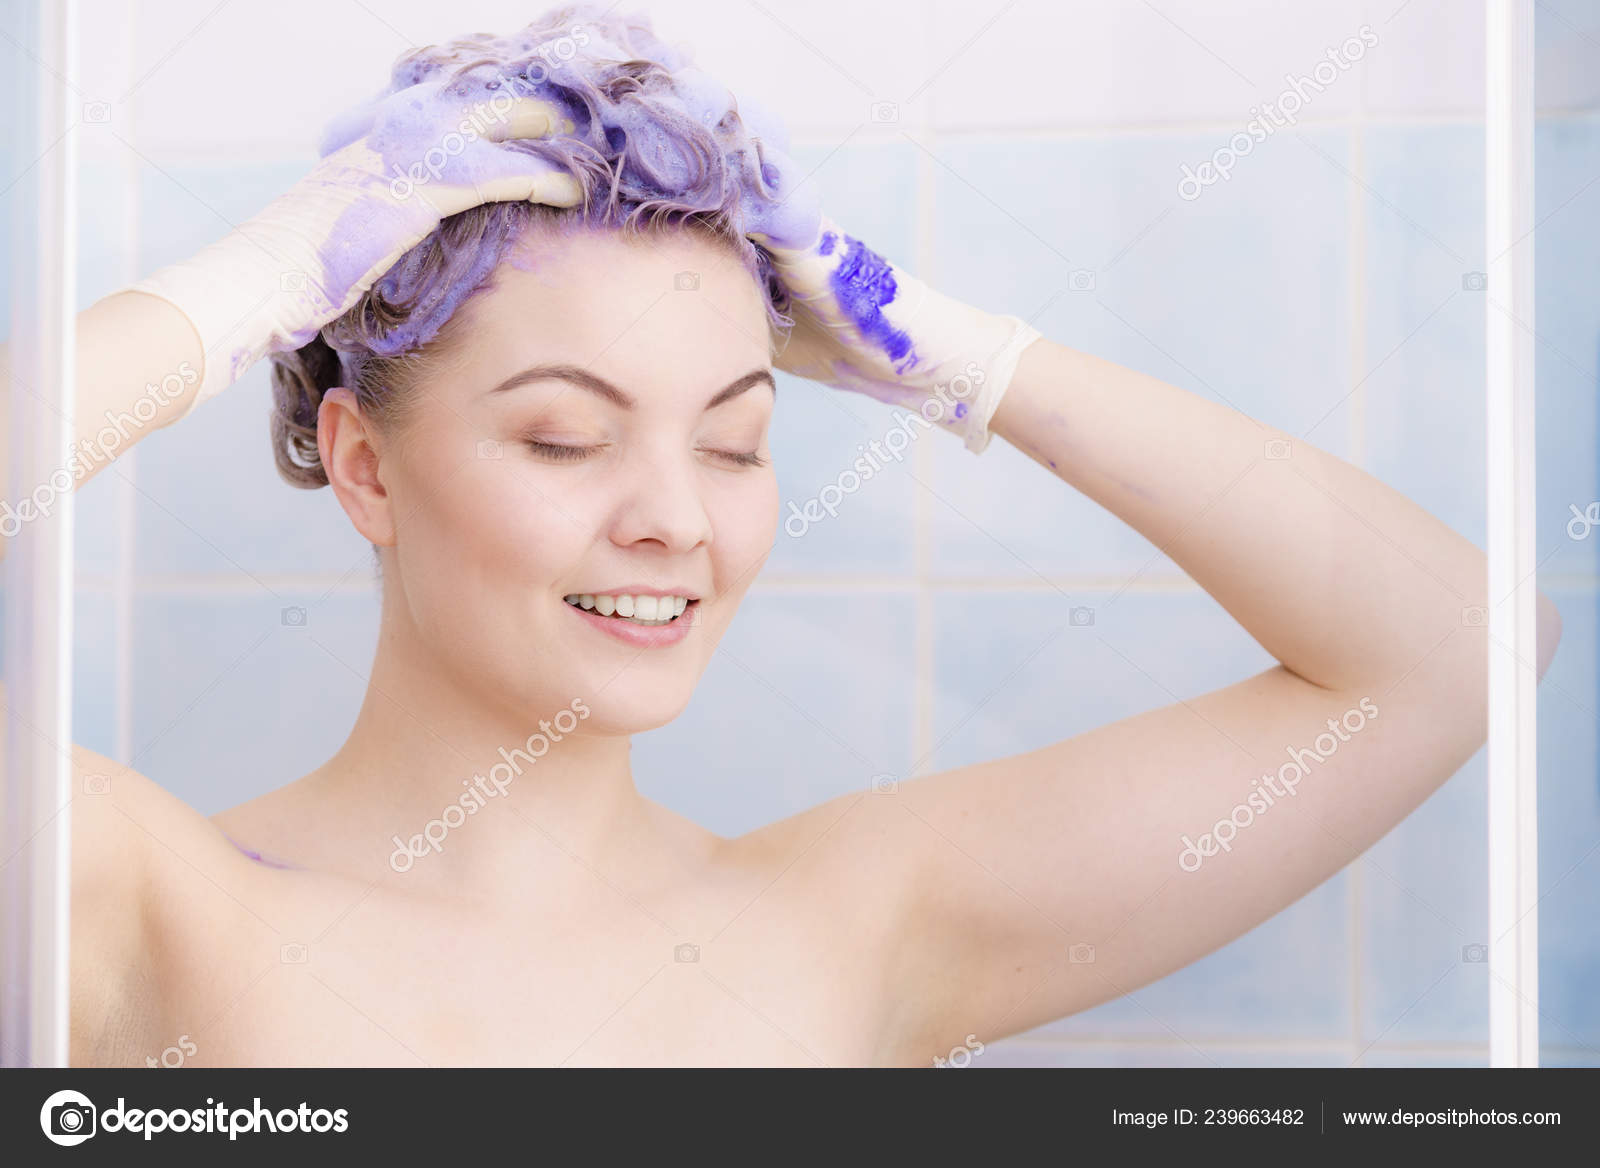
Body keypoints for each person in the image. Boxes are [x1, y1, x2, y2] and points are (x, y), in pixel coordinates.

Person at [2, 8, 1560, 1066]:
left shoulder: (855, 922)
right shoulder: (143, 903)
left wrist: (961, 356)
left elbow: (1458, 649)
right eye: (564, 435)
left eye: (738, 439)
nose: (677, 516)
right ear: (365, 466)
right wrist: (258, 285)